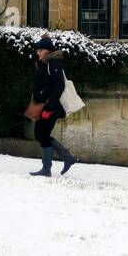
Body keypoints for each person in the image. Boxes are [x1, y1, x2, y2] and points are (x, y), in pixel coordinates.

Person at [29, 36, 78, 177]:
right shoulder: (44, 63)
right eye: (37, 50)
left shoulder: (53, 63)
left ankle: (47, 168)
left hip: (51, 107)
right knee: (40, 134)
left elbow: (59, 86)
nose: (38, 52)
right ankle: (66, 157)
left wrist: (49, 108)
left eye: (40, 50)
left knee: (42, 134)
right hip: (42, 106)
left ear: (48, 50)